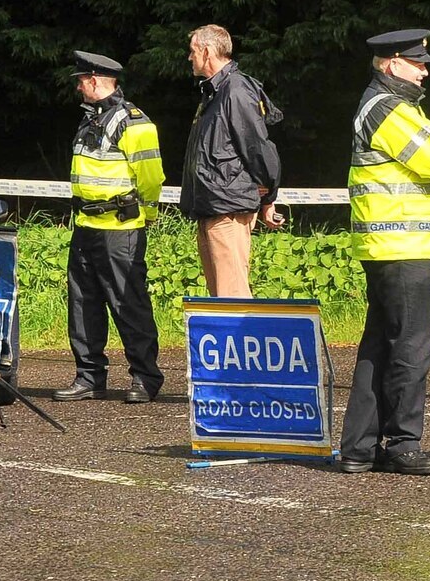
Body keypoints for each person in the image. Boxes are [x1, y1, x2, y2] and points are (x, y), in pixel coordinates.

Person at [337, 29, 430, 476]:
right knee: (411, 348)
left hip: (388, 245)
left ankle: (359, 447)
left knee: (379, 346)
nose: (425, 69)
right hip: (403, 244)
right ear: (392, 64)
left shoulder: (393, 106)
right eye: (417, 62)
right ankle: (402, 444)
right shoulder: (390, 109)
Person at [54, 50, 166, 404]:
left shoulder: (135, 123)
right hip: (86, 224)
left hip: (121, 228)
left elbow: (152, 178)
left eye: (80, 81)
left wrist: (145, 213)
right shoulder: (90, 119)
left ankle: (145, 378)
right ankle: (89, 377)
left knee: (128, 304)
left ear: (93, 80)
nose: (78, 88)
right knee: (83, 304)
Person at [182, 24, 283, 297]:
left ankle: (241, 340)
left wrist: (268, 196)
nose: (190, 58)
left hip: (228, 208)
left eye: (193, 52)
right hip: (213, 206)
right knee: (220, 295)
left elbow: (258, 148)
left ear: (206, 51)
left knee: (232, 295)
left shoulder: (235, 90)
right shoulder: (215, 92)